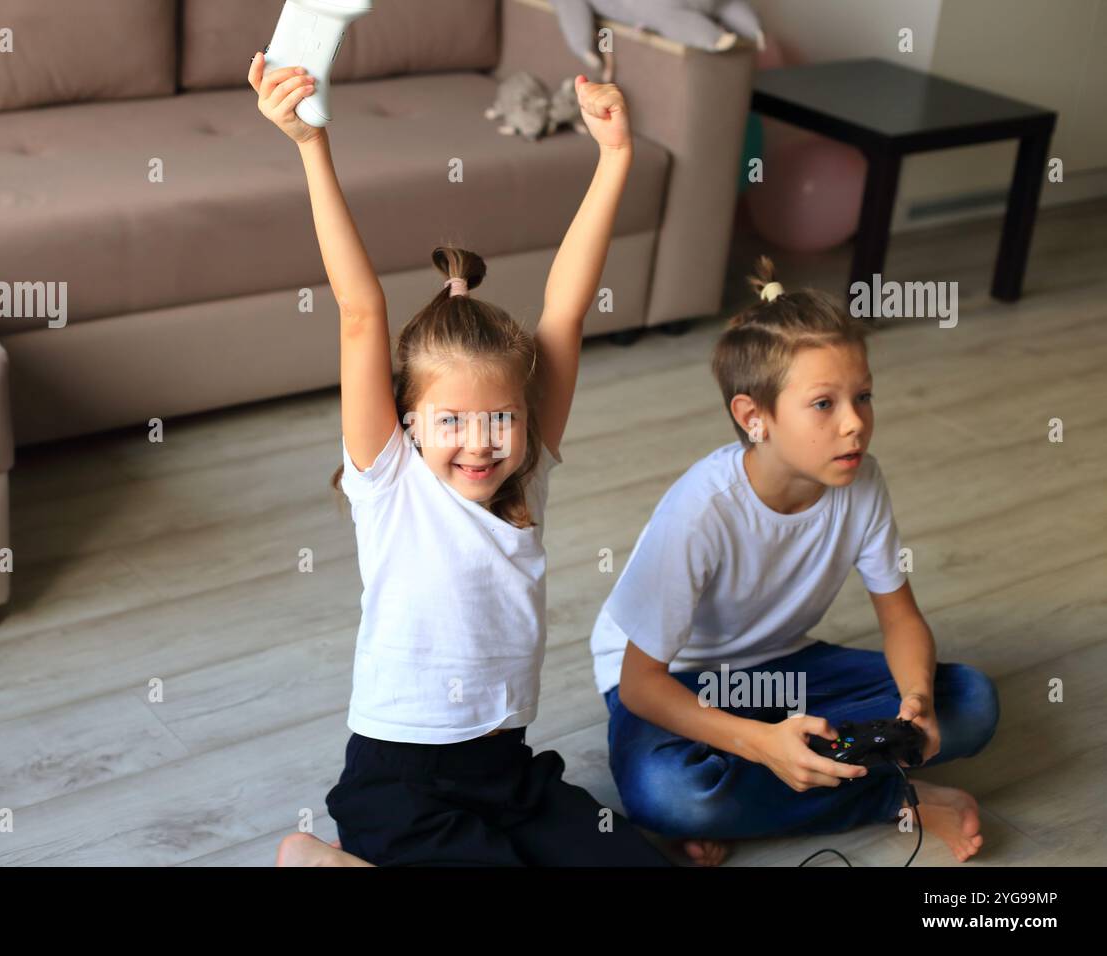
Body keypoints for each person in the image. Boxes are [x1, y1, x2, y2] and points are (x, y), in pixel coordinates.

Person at [247, 51, 671, 867]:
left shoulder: (527, 471)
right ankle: (319, 857)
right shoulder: (391, 479)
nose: (480, 441)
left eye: (501, 418)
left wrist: (613, 158)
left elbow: (567, 308)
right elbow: (360, 310)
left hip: (506, 772)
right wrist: (309, 144)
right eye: (450, 421)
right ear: (407, 420)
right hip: (401, 786)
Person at [591, 258, 1001, 863]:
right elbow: (639, 686)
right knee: (667, 793)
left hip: (784, 665)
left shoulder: (862, 482)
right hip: (678, 679)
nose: (855, 424)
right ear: (754, 418)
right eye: (824, 404)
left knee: (969, 701)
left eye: (862, 396)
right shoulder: (702, 512)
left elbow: (900, 618)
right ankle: (889, 796)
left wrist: (916, 699)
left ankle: (757, 785)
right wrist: (761, 743)